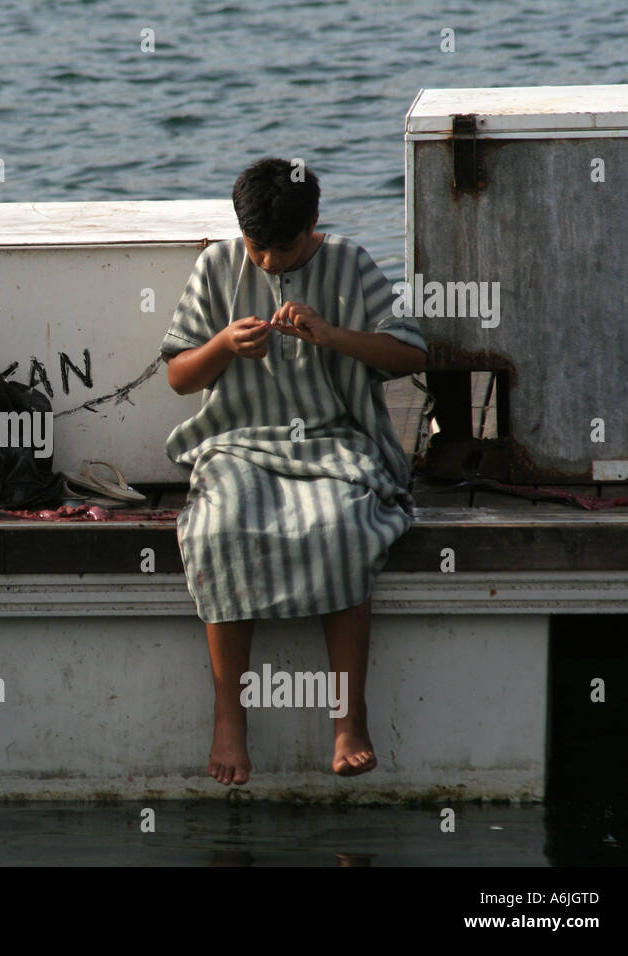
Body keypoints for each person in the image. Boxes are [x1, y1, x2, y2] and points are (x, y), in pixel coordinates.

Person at [159, 158, 427, 786]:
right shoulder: (218, 266)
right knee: (218, 530)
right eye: (259, 248)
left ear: (313, 227)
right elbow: (177, 376)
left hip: (334, 443)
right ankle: (230, 718)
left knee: (342, 527)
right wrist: (222, 345)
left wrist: (331, 335)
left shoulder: (349, 263)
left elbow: (409, 353)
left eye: (285, 248)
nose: (271, 263)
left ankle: (348, 718)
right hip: (237, 445)